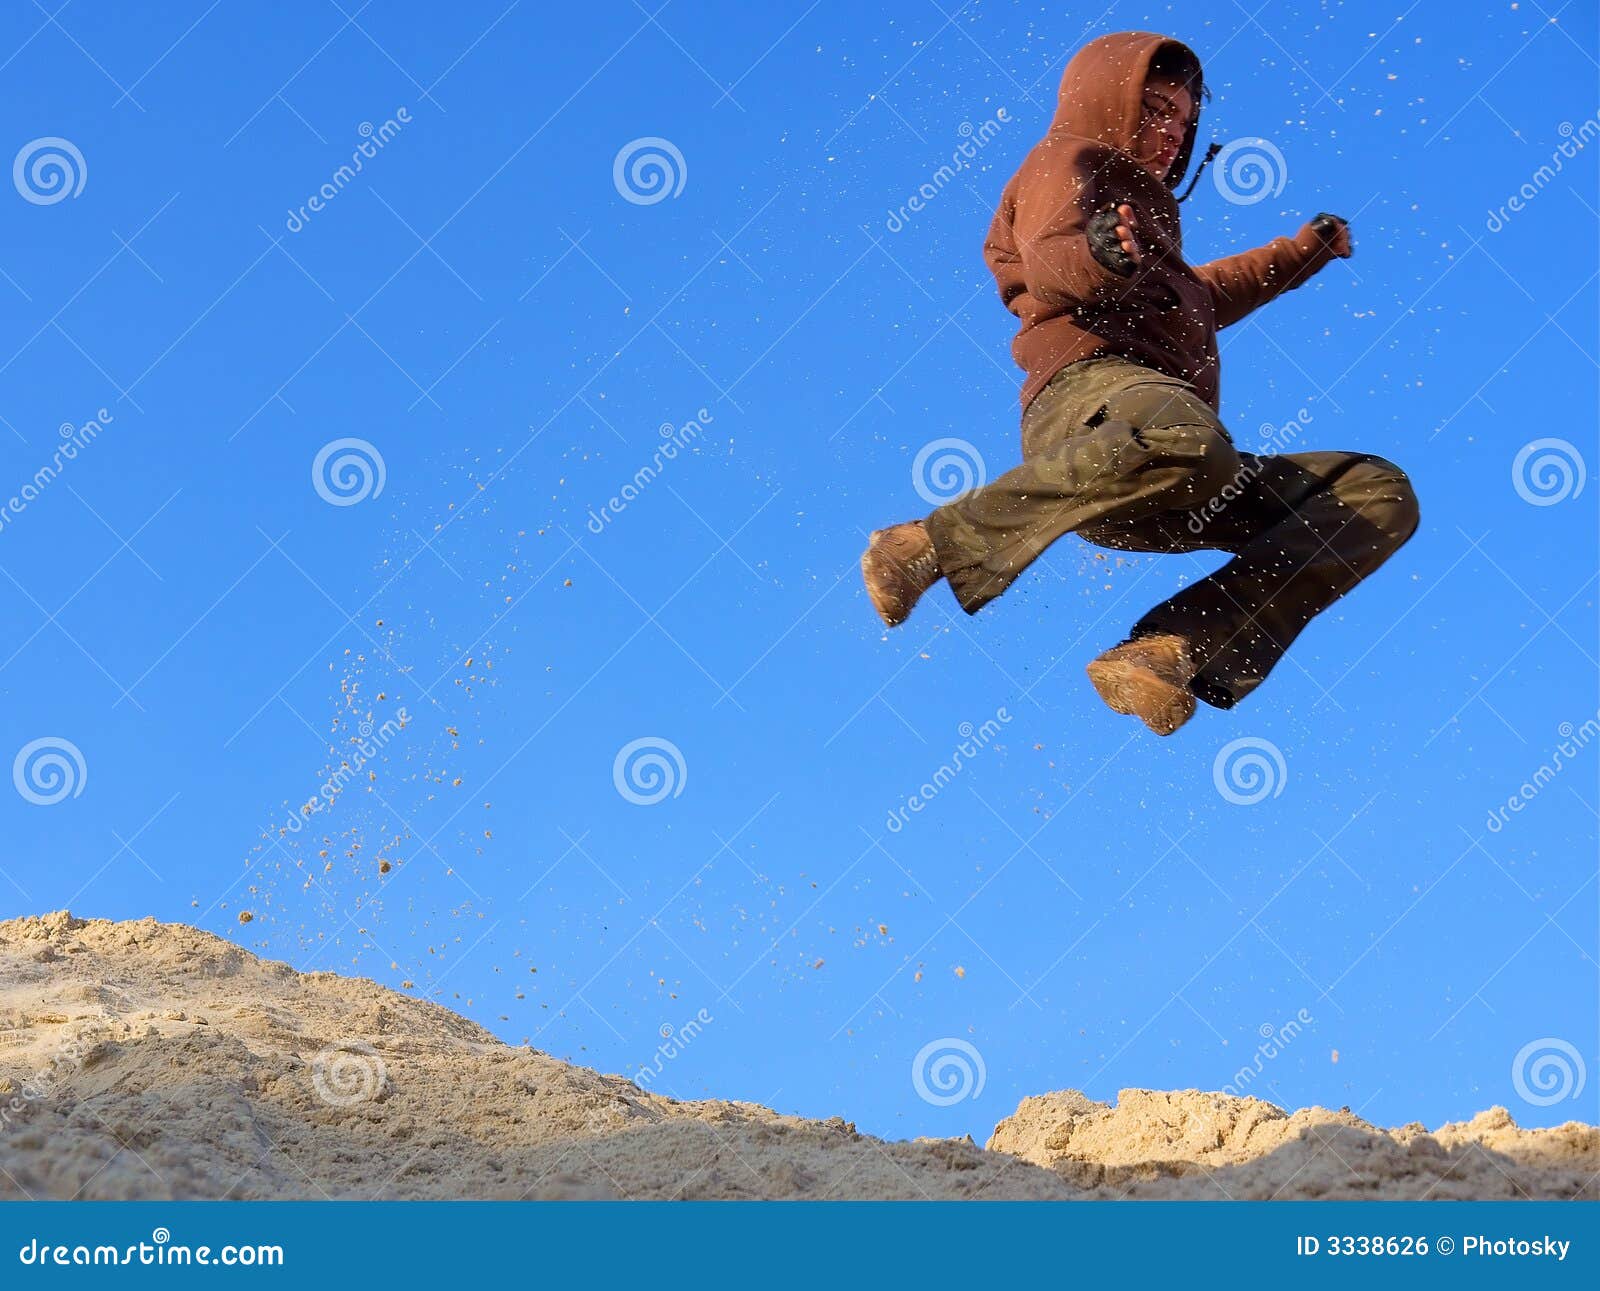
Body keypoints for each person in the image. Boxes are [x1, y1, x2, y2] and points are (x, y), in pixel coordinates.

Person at [861, 31, 1419, 735]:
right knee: (1189, 437)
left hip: (1160, 467)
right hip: (1089, 405)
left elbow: (1202, 295)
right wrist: (1099, 255)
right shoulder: (1069, 160)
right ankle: (930, 544)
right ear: (1108, 100)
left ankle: (1173, 648)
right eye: (1155, 110)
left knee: (1375, 493)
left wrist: (1302, 253)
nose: (1170, 134)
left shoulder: (1149, 225)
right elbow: (1051, 255)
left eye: (1183, 123)